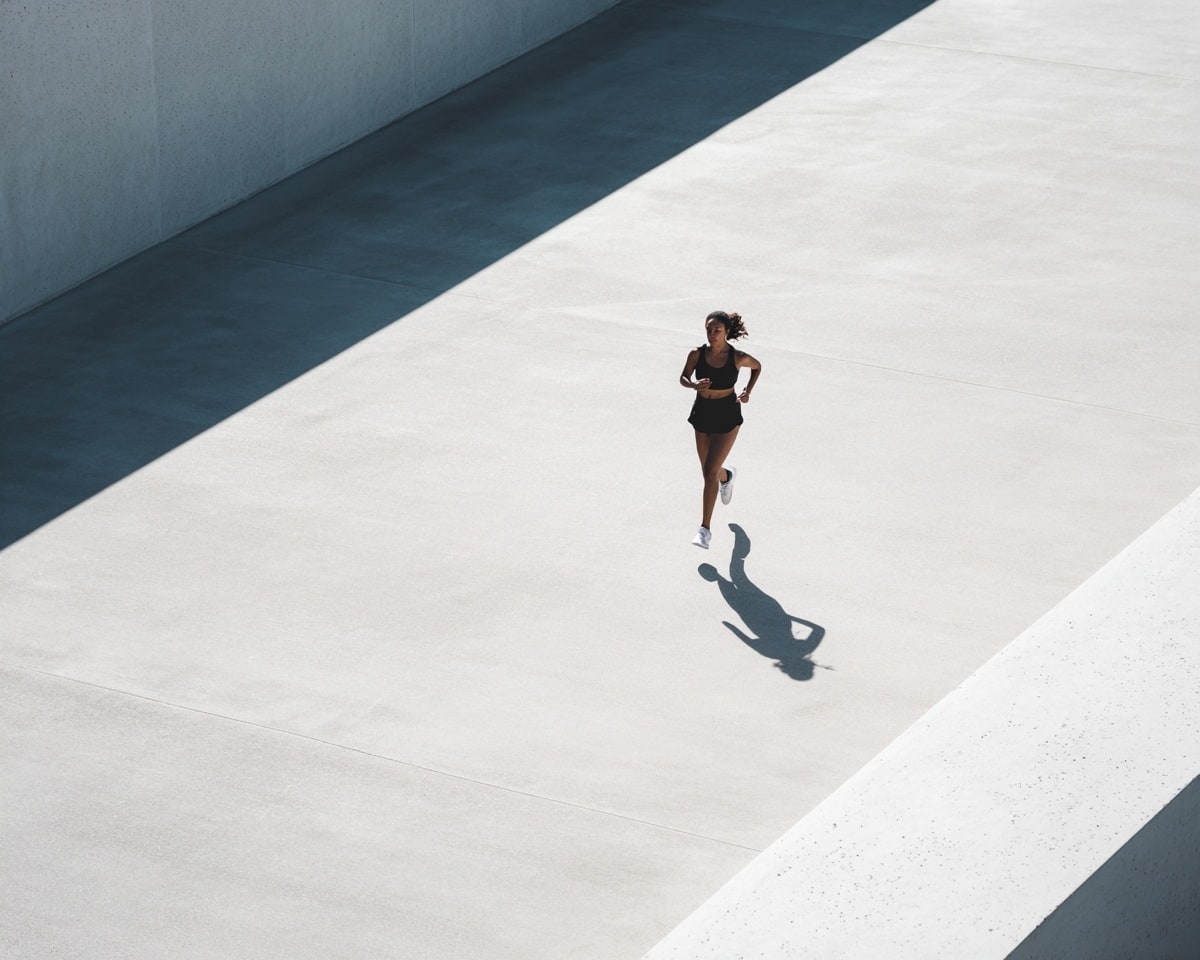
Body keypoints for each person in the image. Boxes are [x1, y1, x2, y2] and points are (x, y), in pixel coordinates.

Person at [679, 310, 761, 549]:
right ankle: (728, 476)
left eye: (717, 330)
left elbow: (757, 367)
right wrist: (694, 385)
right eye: (708, 329)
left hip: (727, 415)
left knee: (707, 472)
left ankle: (704, 529)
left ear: (726, 332)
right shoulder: (697, 354)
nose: (712, 334)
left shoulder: (737, 357)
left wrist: (748, 391)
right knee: (710, 470)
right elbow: (683, 377)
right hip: (702, 413)